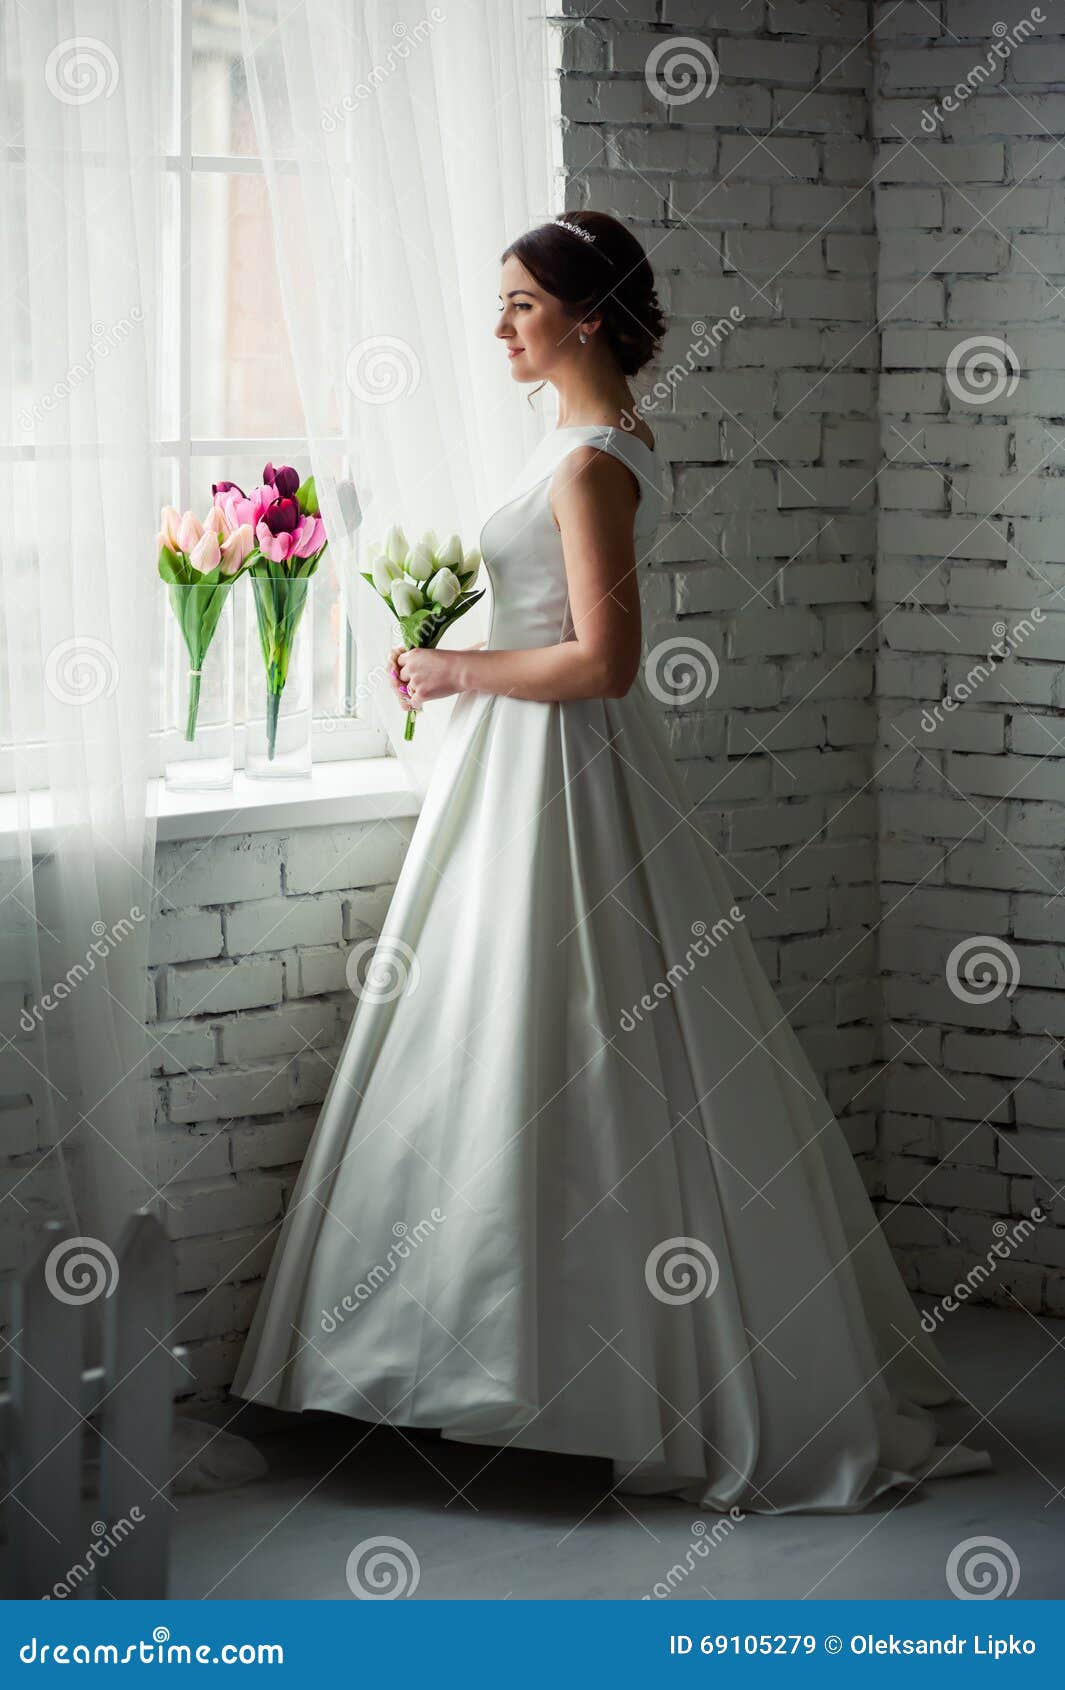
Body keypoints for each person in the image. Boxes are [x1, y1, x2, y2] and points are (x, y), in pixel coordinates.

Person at [231, 210, 991, 1513]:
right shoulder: (590, 444)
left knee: (567, 1043)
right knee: (512, 1037)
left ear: (585, 315)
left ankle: (563, 1383)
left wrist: (453, 666)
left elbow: (602, 662)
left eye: (520, 301)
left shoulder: (589, 464)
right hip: (524, 774)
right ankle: (479, 1374)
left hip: (565, 774)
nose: (499, 324)